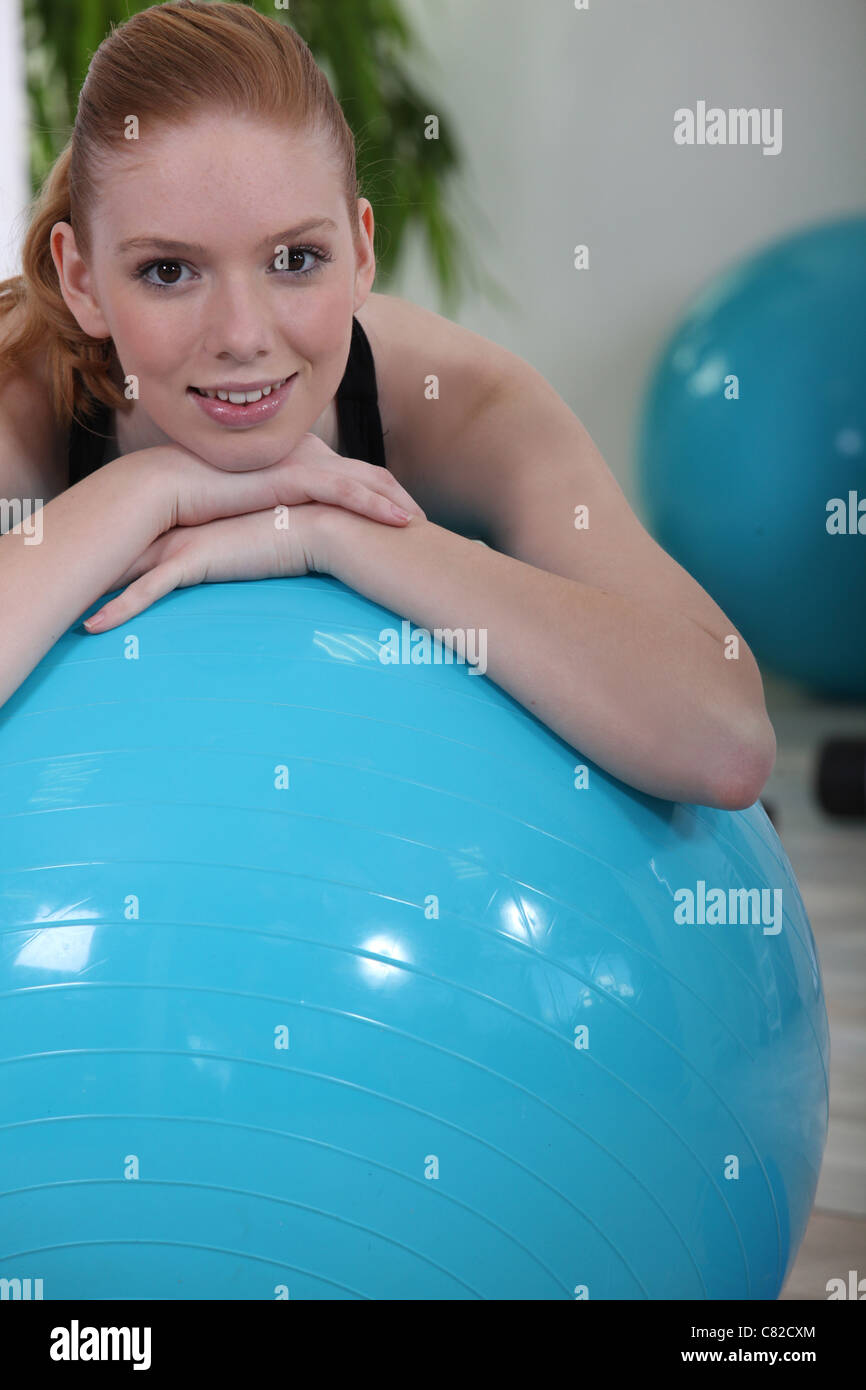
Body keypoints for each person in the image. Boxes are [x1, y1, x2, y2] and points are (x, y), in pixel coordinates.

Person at [0, 0, 774, 808]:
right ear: (81, 280)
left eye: (295, 259)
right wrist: (144, 489)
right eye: (168, 271)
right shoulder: (19, 395)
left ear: (361, 250)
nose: (240, 335)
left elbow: (725, 739)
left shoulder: (464, 402)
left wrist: (340, 532)